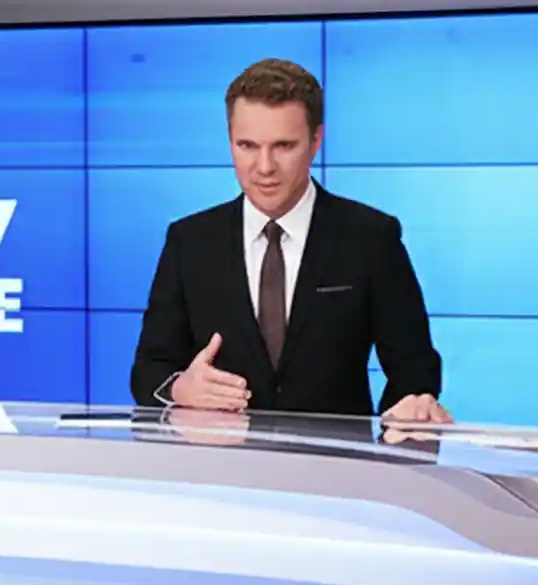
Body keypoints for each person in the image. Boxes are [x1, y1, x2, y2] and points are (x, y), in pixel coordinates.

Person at [130, 58, 451, 423]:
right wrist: (179, 388)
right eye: (247, 146)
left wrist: (403, 420)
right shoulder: (189, 242)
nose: (264, 166)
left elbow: (415, 370)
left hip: (337, 472)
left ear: (316, 141)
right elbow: (147, 371)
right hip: (220, 471)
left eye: (283, 146)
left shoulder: (371, 238)